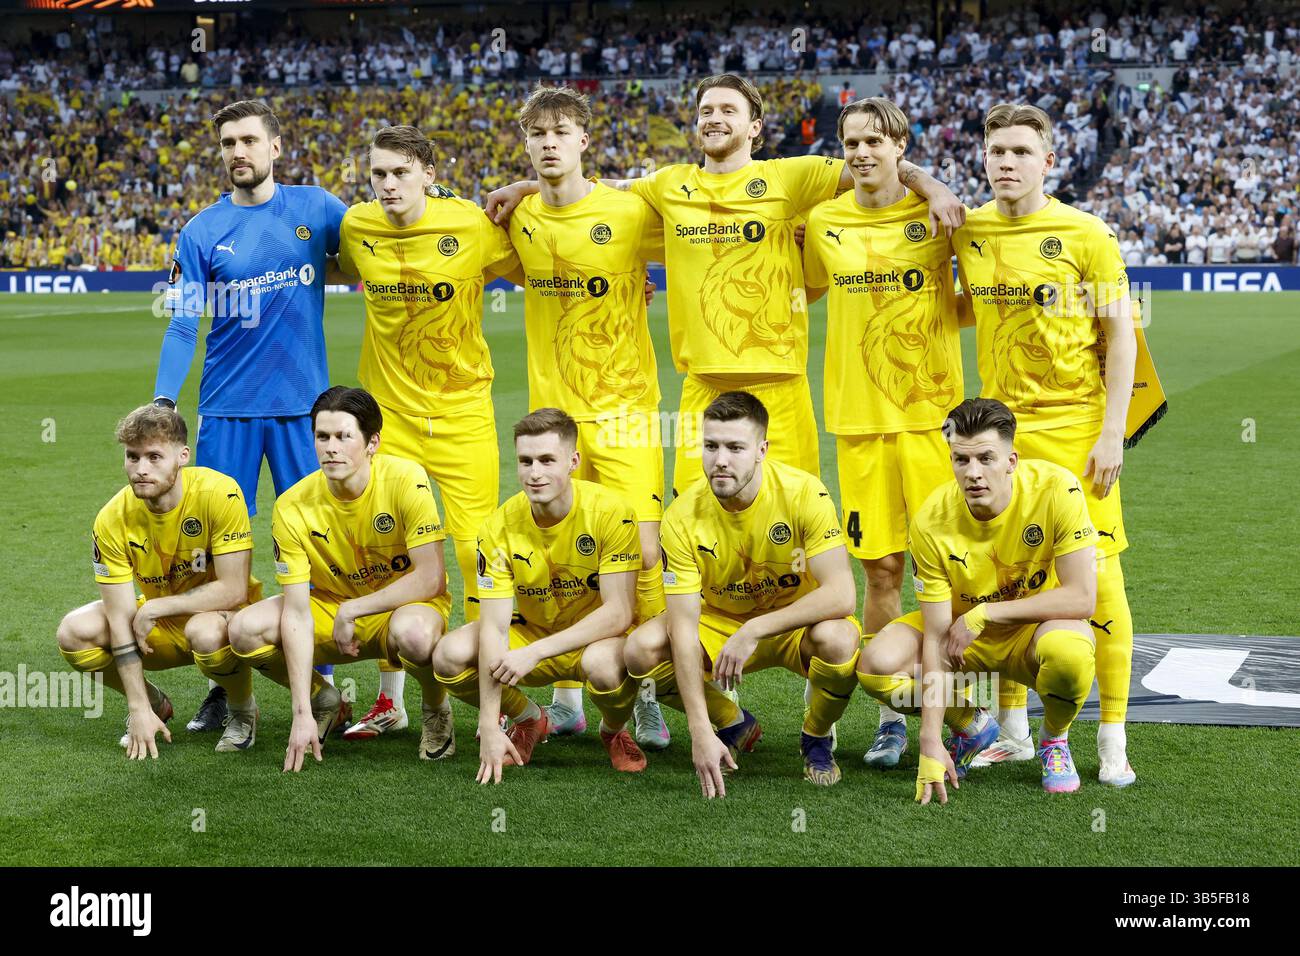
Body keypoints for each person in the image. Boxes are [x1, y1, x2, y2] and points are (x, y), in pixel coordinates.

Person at [486, 73, 964, 495]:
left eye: (728, 110)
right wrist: (525, 187)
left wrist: (936, 187)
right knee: (697, 529)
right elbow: (595, 187)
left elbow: (876, 162)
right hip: (702, 387)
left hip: (780, 385)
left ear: (754, 128)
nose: (714, 118)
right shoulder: (669, 185)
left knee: (792, 521)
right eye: (706, 111)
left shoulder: (789, 175)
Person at [953, 103, 1137, 786]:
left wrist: (1113, 431)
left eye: (1021, 152)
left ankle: (1112, 737)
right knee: (1006, 570)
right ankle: (1015, 733)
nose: (1006, 162)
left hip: (1076, 428)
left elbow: (1121, 337)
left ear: (1048, 161)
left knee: (1101, 580)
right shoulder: (965, 230)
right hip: (1001, 434)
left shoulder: (1086, 233)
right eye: (996, 150)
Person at [153, 99, 348, 733]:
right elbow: (184, 320)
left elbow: (382, 239)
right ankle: (225, 678)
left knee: (309, 546)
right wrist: (163, 400)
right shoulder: (201, 230)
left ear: (275, 147)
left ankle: (315, 674)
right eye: (228, 142)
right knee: (213, 553)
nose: (238, 152)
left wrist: (438, 194)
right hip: (226, 411)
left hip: (302, 411)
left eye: (248, 140)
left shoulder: (318, 209)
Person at [332, 126, 520, 740]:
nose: (387, 185)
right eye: (378, 174)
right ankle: (394, 701)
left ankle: (496, 693)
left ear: (429, 175)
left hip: (463, 411)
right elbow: (321, 258)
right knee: (389, 555)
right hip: (388, 418)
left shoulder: (468, 224)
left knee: (477, 553)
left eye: (399, 173)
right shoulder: (358, 228)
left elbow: (535, 261)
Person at [504, 86, 671, 749]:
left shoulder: (631, 213)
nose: (549, 142)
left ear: (584, 140)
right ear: (526, 142)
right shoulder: (516, 217)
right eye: (536, 133)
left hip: (628, 413)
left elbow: (697, 238)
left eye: (561, 131)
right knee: (562, 552)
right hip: (554, 418)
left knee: (645, 552)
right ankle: (569, 699)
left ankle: (648, 690)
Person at [802, 97, 963, 769]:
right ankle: (890, 714)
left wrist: (933, 185)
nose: (863, 152)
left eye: (876, 141)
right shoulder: (823, 220)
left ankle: (961, 708)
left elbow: (981, 299)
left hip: (931, 419)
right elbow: (792, 289)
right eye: (852, 142)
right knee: (883, 571)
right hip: (859, 422)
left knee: (949, 572)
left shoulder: (940, 219)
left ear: (902, 146)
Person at [856, 398, 1099, 803]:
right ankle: (970, 723)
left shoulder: (1057, 489)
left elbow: (1082, 597)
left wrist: (987, 612)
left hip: (1029, 634)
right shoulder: (931, 520)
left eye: (986, 458)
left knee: (1070, 652)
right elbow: (935, 634)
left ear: (1011, 460)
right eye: (961, 460)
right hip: (958, 639)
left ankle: (1054, 740)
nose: (973, 473)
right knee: (877, 666)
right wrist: (929, 738)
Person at [623, 392, 862, 796]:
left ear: (761, 451)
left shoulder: (804, 493)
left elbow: (841, 594)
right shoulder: (681, 516)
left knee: (839, 639)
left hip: (789, 622)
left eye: (735, 448)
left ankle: (816, 736)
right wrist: (700, 730)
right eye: (711, 446)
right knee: (639, 651)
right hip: (717, 622)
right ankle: (731, 721)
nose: (720, 460)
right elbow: (682, 628)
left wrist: (754, 629)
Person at [227, 386, 455, 770]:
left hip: (402, 608)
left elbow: (431, 577)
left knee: (415, 634)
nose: (331, 447)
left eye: (343, 436)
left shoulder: (405, 479)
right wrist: (300, 712)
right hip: (331, 610)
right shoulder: (292, 506)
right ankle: (324, 701)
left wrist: (354, 609)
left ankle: (436, 711)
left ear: (372, 443)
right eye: (322, 436)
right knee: (244, 630)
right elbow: (297, 611)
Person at [433, 408, 647, 781]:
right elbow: (495, 628)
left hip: (594, 639)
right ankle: (530, 719)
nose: (535, 473)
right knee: (449, 655)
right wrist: (489, 722)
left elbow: (618, 613)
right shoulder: (498, 527)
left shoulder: (612, 512)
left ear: (573, 462)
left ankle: (613, 730)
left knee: (605, 666)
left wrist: (533, 653)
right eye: (526, 460)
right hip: (532, 630)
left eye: (547, 460)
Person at [56, 404, 260, 757]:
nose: (140, 470)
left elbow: (233, 589)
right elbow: (120, 617)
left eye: (154, 457)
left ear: (183, 456)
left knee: (205, 633)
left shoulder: (219, 493)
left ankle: (242, 711)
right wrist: (137, 706)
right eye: (132, 457)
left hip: (224, 619)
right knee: (73, 632)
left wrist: (158, 606)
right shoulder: (111, 518)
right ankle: (152, 704)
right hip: (156, 629)